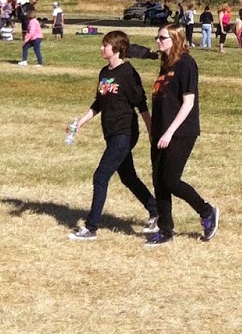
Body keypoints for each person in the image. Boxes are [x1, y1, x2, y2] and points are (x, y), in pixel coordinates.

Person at [66, 30, 158, 240]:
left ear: (116, 48)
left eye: (105, 45)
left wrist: (151, 131)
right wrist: (80, 122)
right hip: (110, 133)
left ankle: (91, 228)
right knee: (128, 177)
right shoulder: (104, 73)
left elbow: (141, 105)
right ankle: (155, 209)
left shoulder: (128, 73)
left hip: (125, 133)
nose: (101, 48)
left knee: (100, 176)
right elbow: (99, 103)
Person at [145, 25, 218, 245]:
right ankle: (165, 230)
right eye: (157, 37)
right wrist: (155, 130)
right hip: (161, 131)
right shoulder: (166, 64)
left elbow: (188, 103)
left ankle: (206, 211)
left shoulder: (186, 64)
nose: (157, 41)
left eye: (162, 38)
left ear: (175, 39)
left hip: (181, 131)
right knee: (159, 181)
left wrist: (169, 132)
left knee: (170, 180)